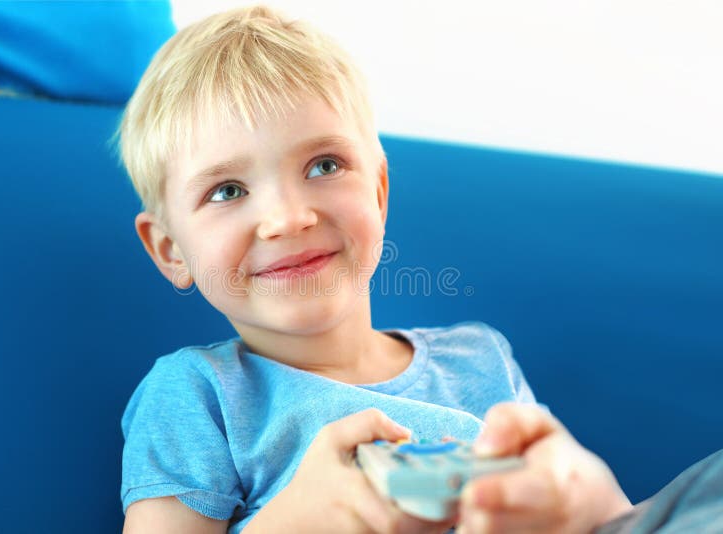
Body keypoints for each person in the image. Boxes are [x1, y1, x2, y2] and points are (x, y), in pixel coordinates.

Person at [115, 5, 633, 533]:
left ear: (379, 192)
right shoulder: (196, 395)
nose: (289, 218)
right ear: (171, 250)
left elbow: (608, 517)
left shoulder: (481, 361)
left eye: (324, 166)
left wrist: (582, 495)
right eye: (228, 191)